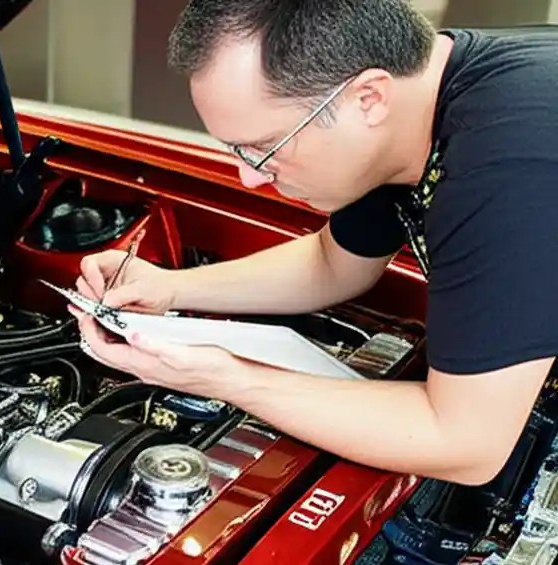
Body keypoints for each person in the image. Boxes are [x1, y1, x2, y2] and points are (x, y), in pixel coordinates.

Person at [72, 0, 558, 487]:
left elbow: (466, 445)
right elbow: (335, 263)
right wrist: (171, 289)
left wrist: (226, 378)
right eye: (237, 151)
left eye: (266, 148)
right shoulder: (420, 96)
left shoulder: (512, 169)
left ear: (368, 98)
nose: (248, 176)